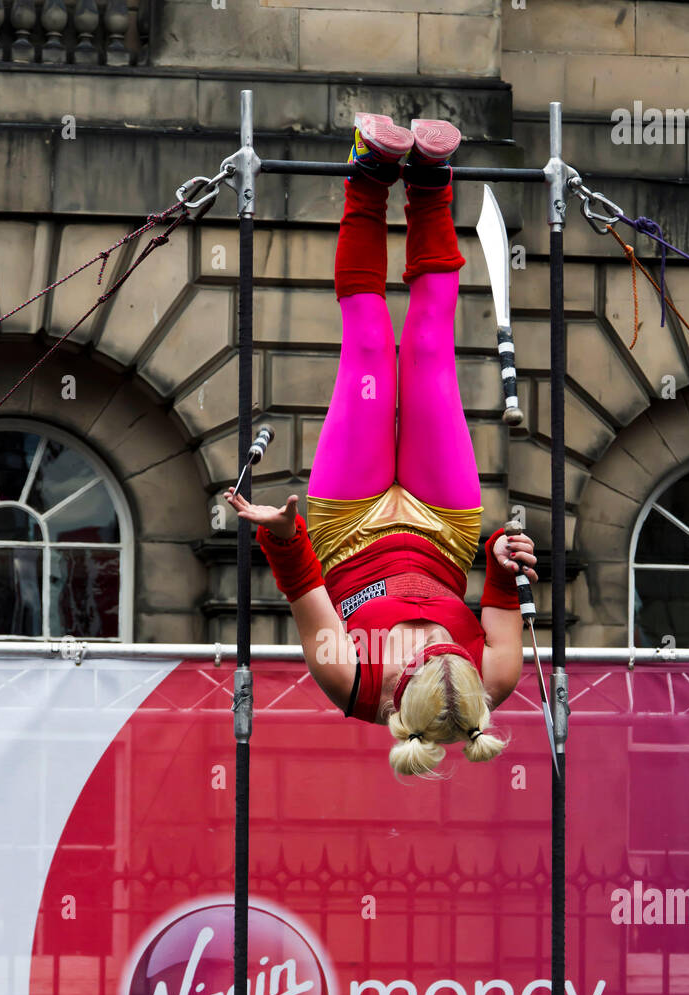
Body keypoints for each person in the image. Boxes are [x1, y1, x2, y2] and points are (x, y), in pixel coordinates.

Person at [225, 113, 538, 777]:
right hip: (441, 528)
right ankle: (429, 186)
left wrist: (282, 532)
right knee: (427, 348)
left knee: (369, 342)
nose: (429, 641)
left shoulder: (352, 682)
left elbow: (304, 588)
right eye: (445, 647)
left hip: (348, 529)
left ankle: (368, 178)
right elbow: (500, 584)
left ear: (397, 694)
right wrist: (506, 557)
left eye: (418, 653)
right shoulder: (498, 675)